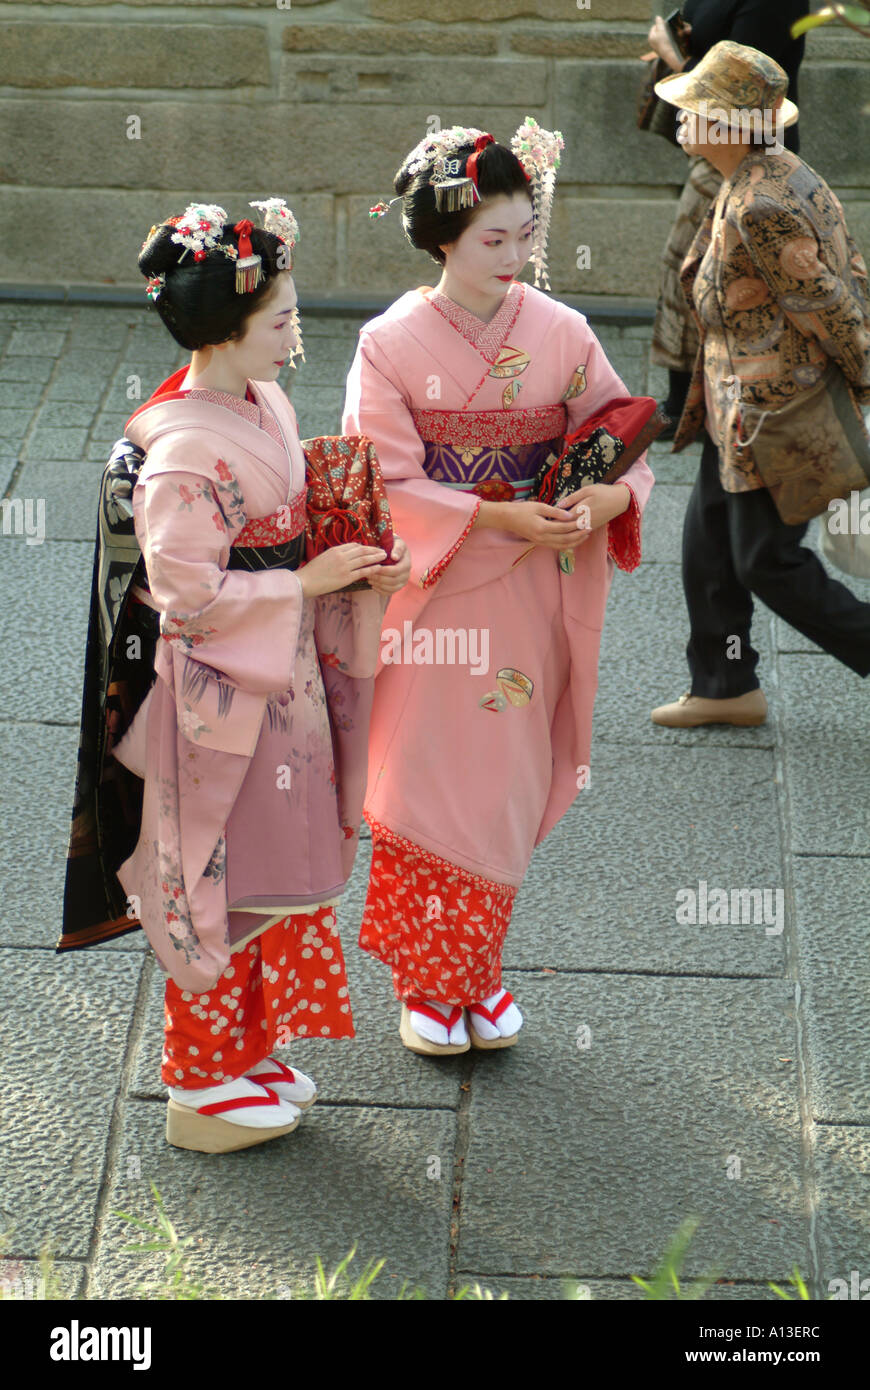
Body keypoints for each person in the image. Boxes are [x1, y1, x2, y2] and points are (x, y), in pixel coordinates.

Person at [58, 199, 410, 1150]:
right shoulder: (184, 451)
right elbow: (187, 595)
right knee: (215, 879)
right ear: (226, 327)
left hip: (277, 674)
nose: (299, 327)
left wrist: (354, 559)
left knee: (268, 867)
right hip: (216, 696)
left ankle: (244, 1055)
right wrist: (308, 578)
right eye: (284, 316)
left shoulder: (262, 403)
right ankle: (197, 1084)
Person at [343, 123, 655, 1055]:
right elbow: (382, 483)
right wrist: (497, 518)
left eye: (526, 235)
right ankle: (428, 984)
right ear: (441, 238)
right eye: (494, 239)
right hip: (434, 593)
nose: (516, 256)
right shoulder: (390, 342)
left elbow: (622, 441)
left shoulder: (561, 332)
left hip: (529, 591)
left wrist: (601, 499)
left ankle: (477, 973)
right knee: (430, 781)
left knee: (508, 784)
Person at [649, 42, 870, 728]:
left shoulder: (762, 202)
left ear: (726, 125)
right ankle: (723, 683)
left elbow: (831, 303)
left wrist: (864, 384)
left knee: (764, 560)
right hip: (736, 407)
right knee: (709, 539)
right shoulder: (757, 175)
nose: (679, 113)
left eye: (694, 106)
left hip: (781, 413)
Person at [643, 1, 809, 434]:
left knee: (707, 276)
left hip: (745, 149)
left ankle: (698, 406)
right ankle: (690, 402)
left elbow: (748, 86)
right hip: (718, 149)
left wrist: (673, 57)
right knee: (690, 271)